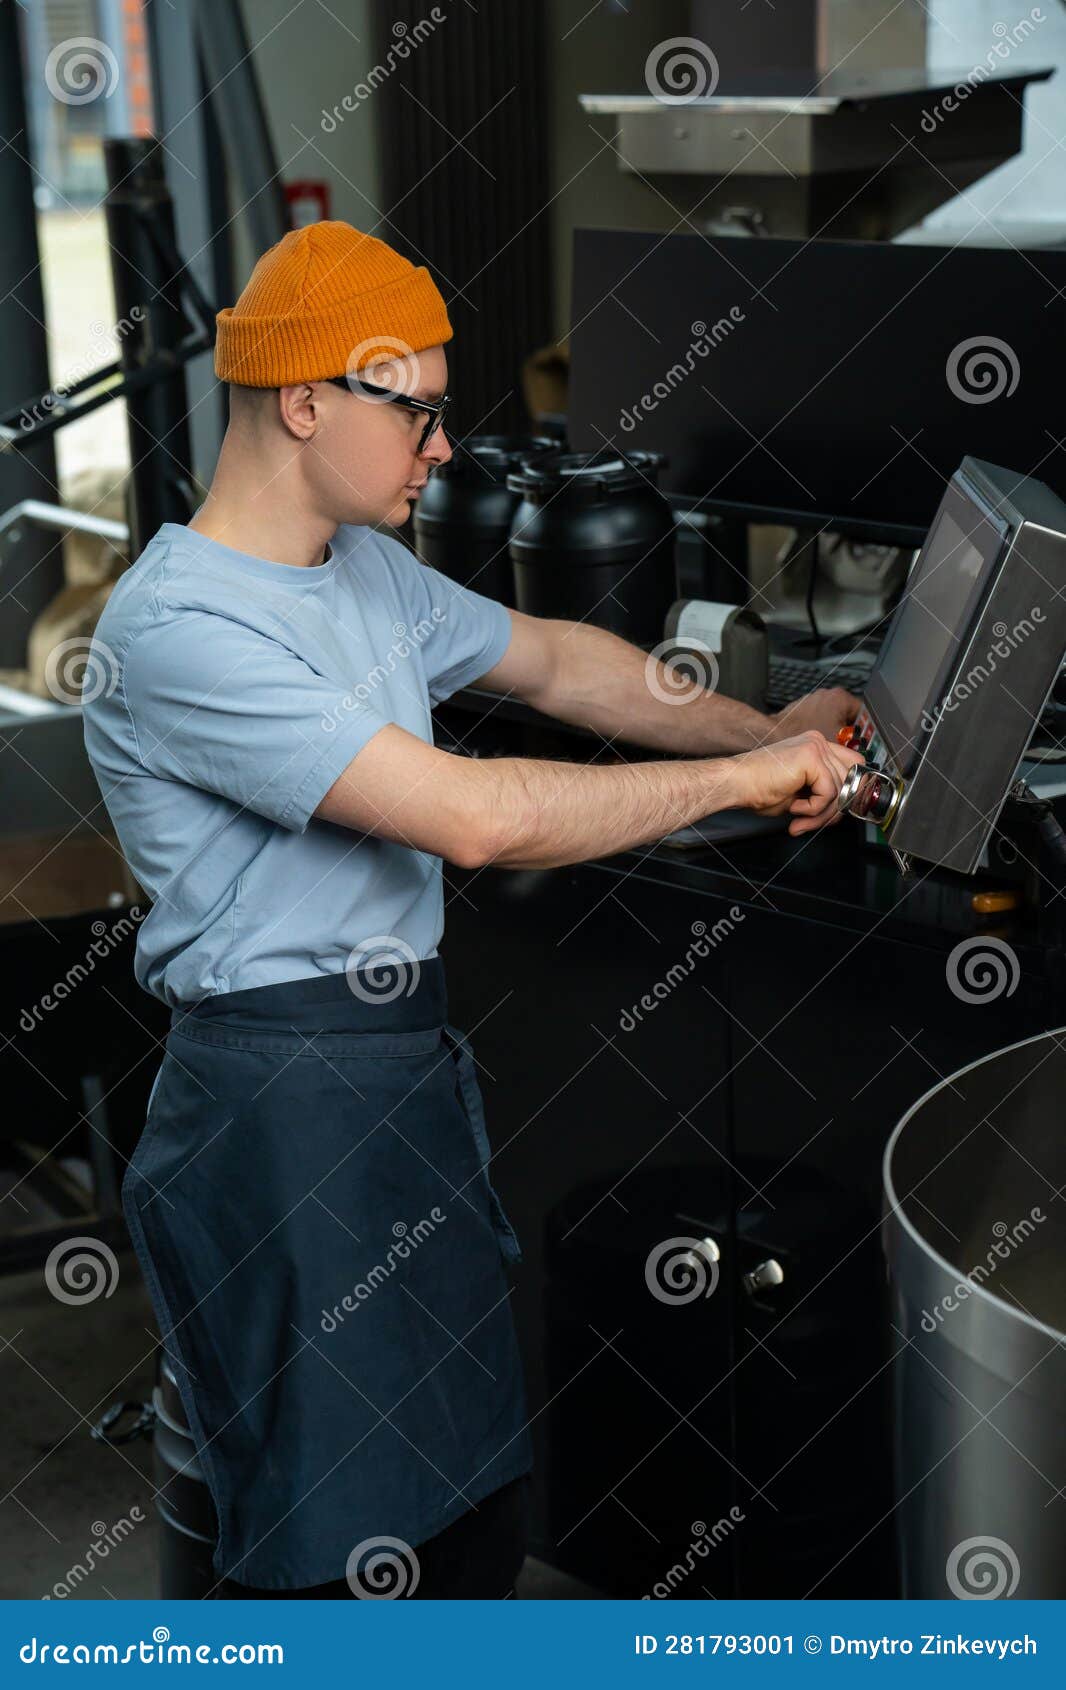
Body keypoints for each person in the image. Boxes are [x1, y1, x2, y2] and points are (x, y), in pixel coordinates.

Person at [82, 219, 862, 1599]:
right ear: (306, 399)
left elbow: (562, 662)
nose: (444, 448)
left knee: (461, 1517)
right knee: (323, 1555)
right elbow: (475, 813)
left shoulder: (361, 569)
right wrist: (746, 779)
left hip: (400, 1094)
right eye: (420, 412)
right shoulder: (178, 627)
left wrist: (763, 719)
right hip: (280, 1116)